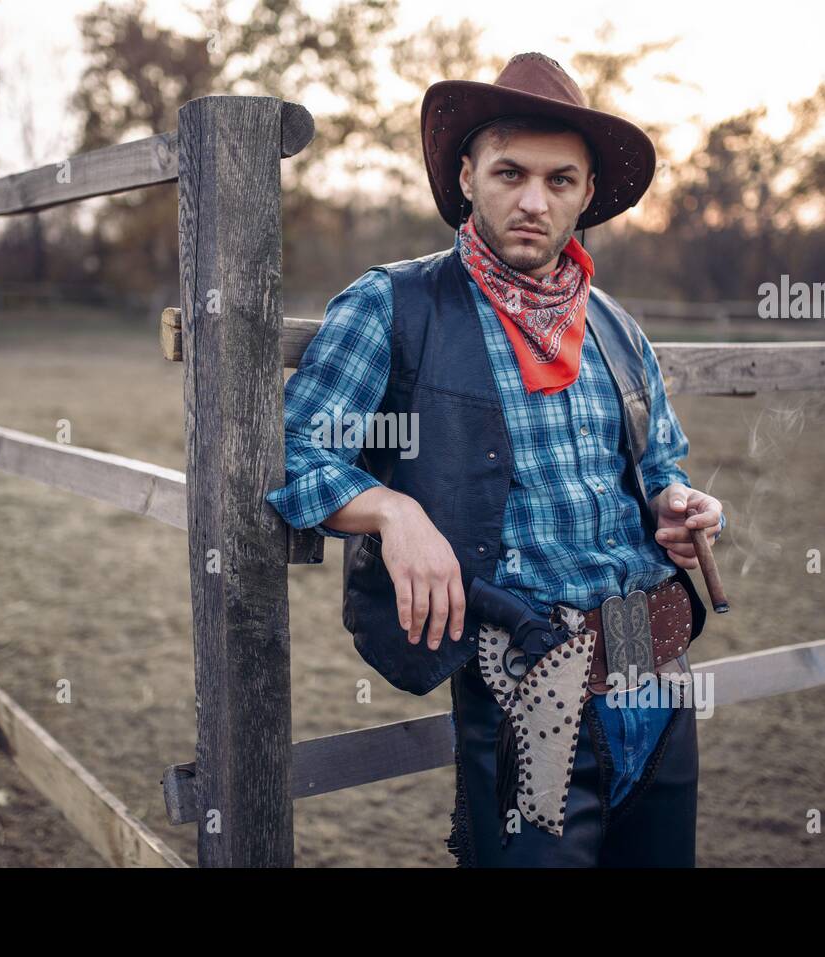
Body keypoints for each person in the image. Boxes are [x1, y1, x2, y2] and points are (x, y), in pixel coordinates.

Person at [267, 52, 725, 867]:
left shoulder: (616, 326)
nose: (532, 200)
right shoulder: (394, 303)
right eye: (511, 172)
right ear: (468, 174)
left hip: (657, 667)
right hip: (528, 680)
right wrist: (392, 509)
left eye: (560, 180)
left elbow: (661, 461)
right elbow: (295, 451)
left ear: (586, 196)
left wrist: (678, 501)